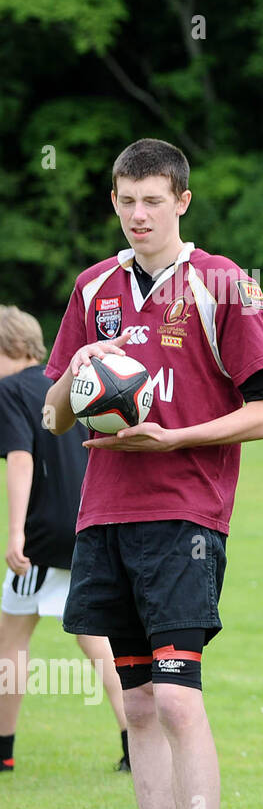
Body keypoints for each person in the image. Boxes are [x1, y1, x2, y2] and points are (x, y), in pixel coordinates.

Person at [44, 138, 263, 809]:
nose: (138, 213)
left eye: (153, 200)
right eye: (125, 199)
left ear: (182, 200)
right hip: (103, 515)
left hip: (185, 512)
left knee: (179, 696)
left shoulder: (226, 286)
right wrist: (84, 379)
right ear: (112, 201)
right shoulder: (92, 290)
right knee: (139, 701)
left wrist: (173, 437)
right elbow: (52, 415)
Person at [0, 306, 128, 773]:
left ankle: (3, 750)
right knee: (96, 638)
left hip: (44, 536)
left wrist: (15, 533)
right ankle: (135, 743)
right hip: (87, 524)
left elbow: (20, 459)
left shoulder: (10, 390)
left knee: (10, 640)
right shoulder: (68, 385)